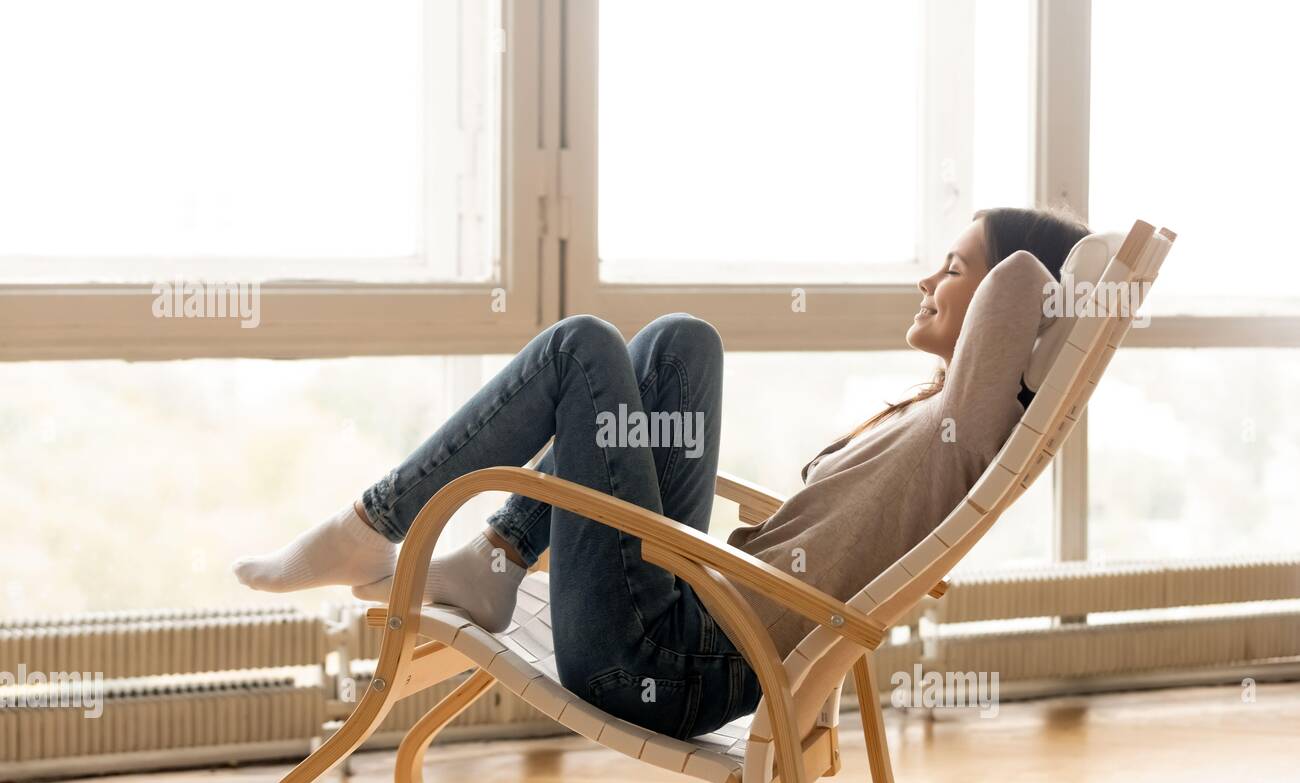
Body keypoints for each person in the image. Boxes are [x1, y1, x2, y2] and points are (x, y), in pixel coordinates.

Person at [233, 206, 1090, 742]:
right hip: (688, 611)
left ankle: (369, 526)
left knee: (581, 348)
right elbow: (1013, 282)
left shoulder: (971, 424)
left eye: (953, 267)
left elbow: (1021, 276)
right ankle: (497, 558)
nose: (927, 280)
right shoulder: (940, 417)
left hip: (664, 662)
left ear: (998, 312)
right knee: (681, 343)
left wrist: (1069, 268)